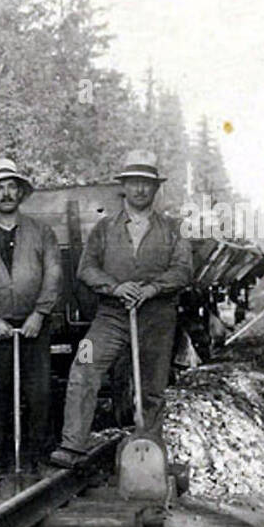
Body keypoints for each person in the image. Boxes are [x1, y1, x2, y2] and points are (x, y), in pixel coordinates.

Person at [49, 150, 193, 468]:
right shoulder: (104, 228)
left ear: (155, 189)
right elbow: (86, 269)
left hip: (156, 317)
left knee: (152, 387)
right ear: (123, 187)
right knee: (84, 366)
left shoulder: (172, 229)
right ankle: (72, 444)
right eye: (134, 182)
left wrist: (152, 288)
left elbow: (183, 270)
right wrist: (116, 287)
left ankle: (148, 452)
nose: (140, 189)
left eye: (146, 183)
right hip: (111, 316)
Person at [0, 157, 63, 485]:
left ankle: (34, 459)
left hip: (35, 325)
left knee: (39, 393)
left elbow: (53, 275)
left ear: (20, 193)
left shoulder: (42, 232)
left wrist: (39, 313)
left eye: (10, 187)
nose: (5, 194)